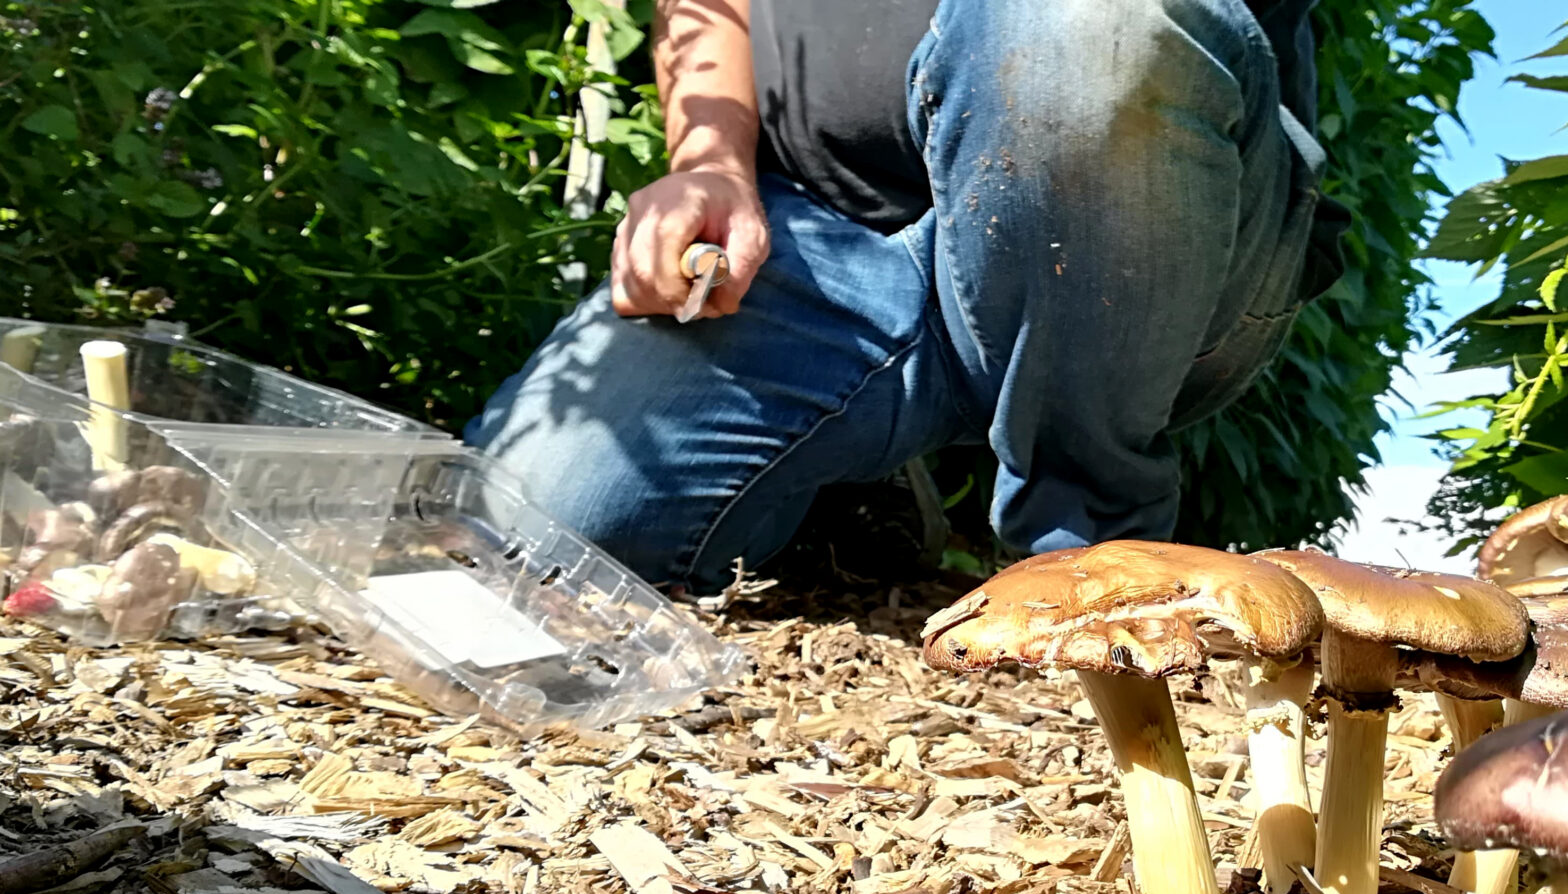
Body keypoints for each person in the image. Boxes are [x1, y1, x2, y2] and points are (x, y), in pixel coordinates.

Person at [467, 0, 1343, 591]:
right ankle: (839, 489)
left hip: (1152, 231)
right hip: (819, 231)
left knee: (1085, 24)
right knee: (535, 524)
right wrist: (710, 164)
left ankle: (1096, 563)